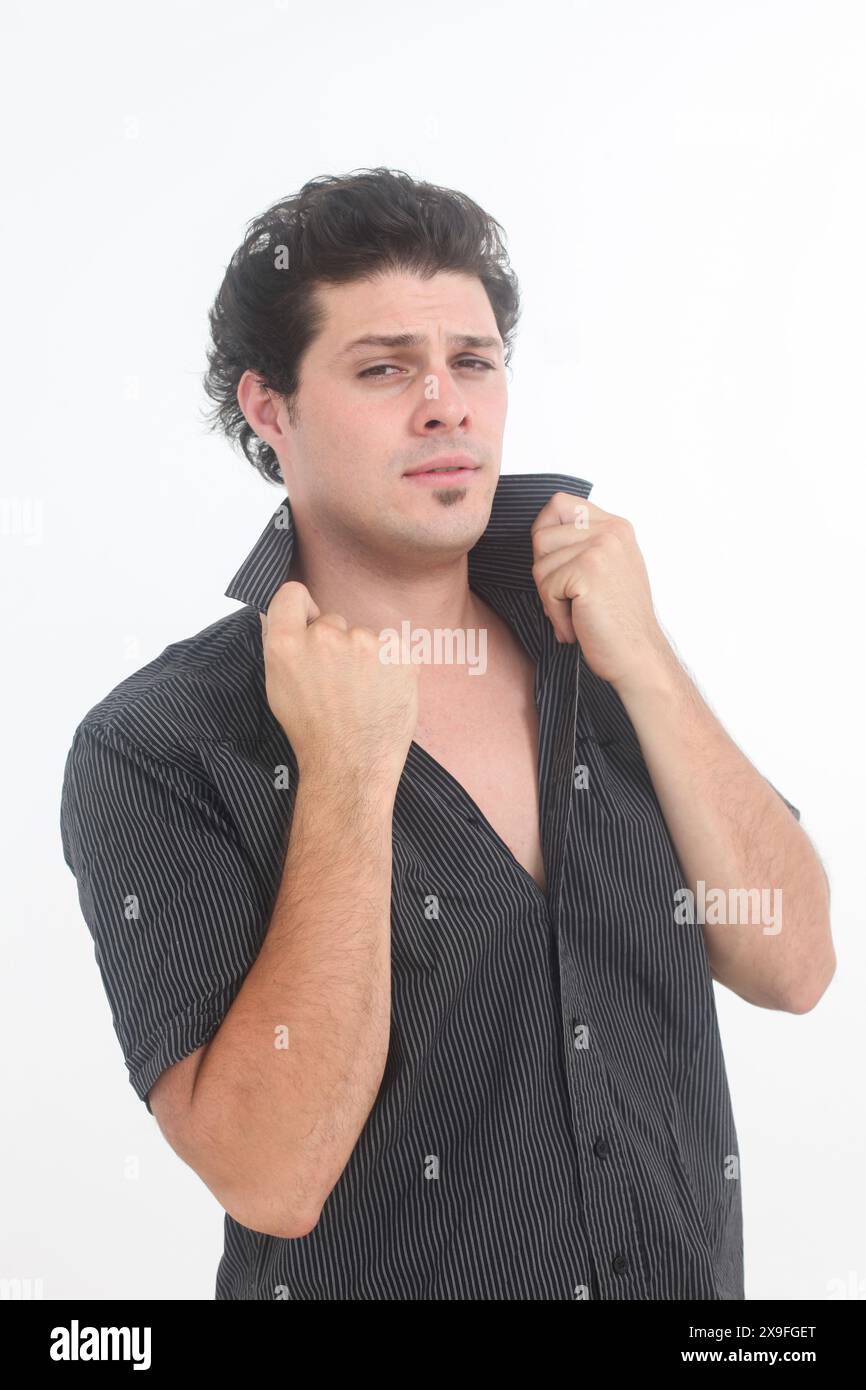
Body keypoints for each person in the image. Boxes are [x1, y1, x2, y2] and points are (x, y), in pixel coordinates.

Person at [60, 167, 834, 1300]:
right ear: (269, 409)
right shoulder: (162, 746)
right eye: (383, 369)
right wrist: (343, 776)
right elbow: (271, 1178)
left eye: (472, 361)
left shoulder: (599, 646)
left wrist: (649, 663)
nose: (445, 403)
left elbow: (793, 963)